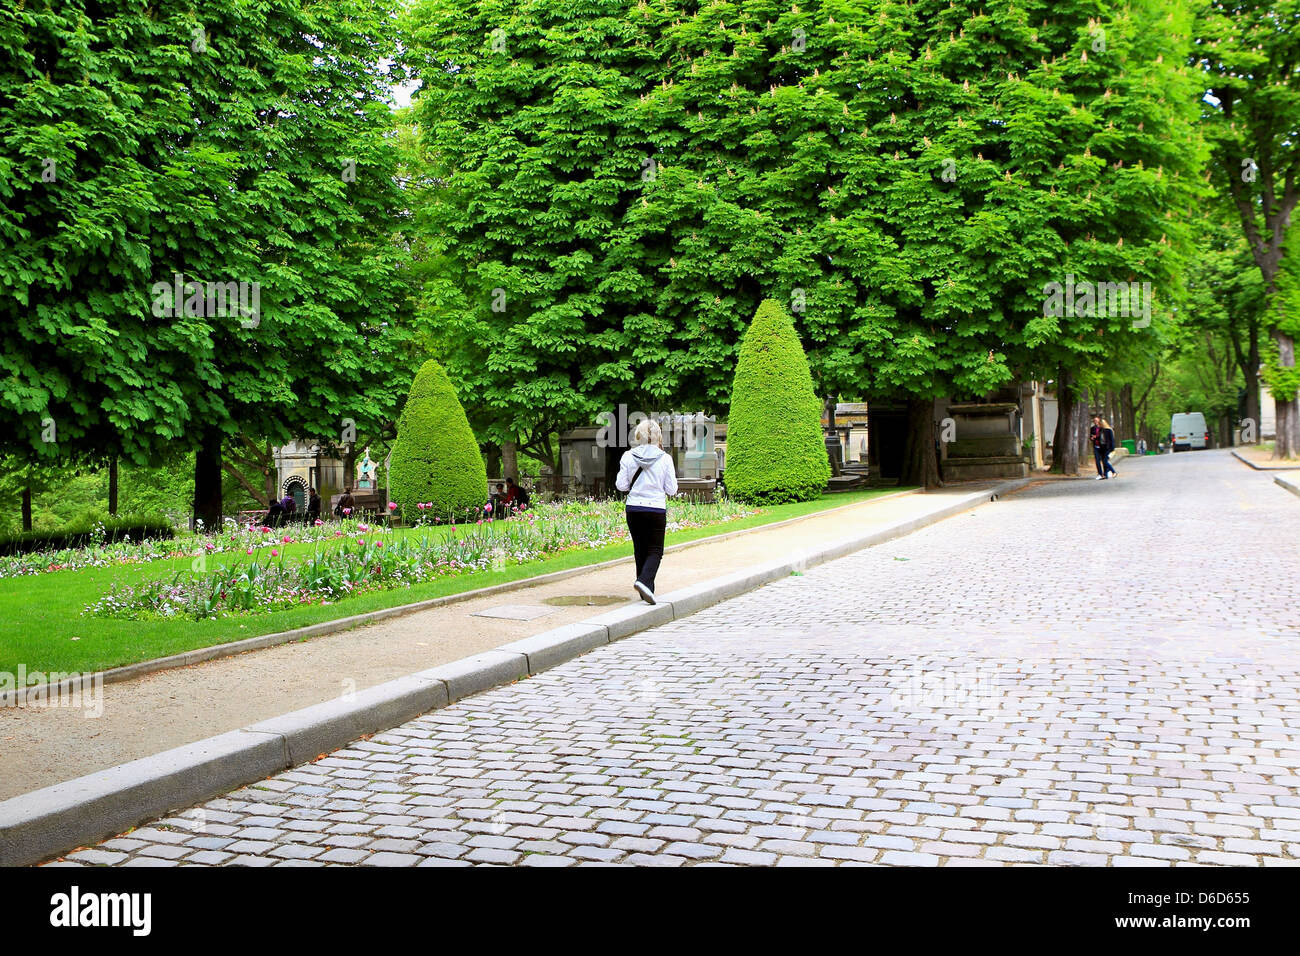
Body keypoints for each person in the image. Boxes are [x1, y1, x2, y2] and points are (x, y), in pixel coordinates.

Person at [615, 419, 678, 604]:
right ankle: (643, 582)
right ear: (658, 436)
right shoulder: (665, 458)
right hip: (656, 508)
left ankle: (646, 591)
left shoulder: (628, 456)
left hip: (634, 507)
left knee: (640, 549)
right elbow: (672, 489)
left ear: (638, 436)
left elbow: (621, 485)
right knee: (655, 550)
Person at [1089, 415, 1117, 480]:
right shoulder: (1096, 429)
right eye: (1094, 420)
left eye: (1097, 420)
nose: (1095, 422)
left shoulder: (1107, 430)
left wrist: (1112, 448)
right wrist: (1093, 438)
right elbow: (1097, 437)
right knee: (1100, 461)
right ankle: (1103, 474)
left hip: (1106, 448)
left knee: (1105, 461)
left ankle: (1111, 472)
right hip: (1099, 447)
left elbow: (1110, 440)